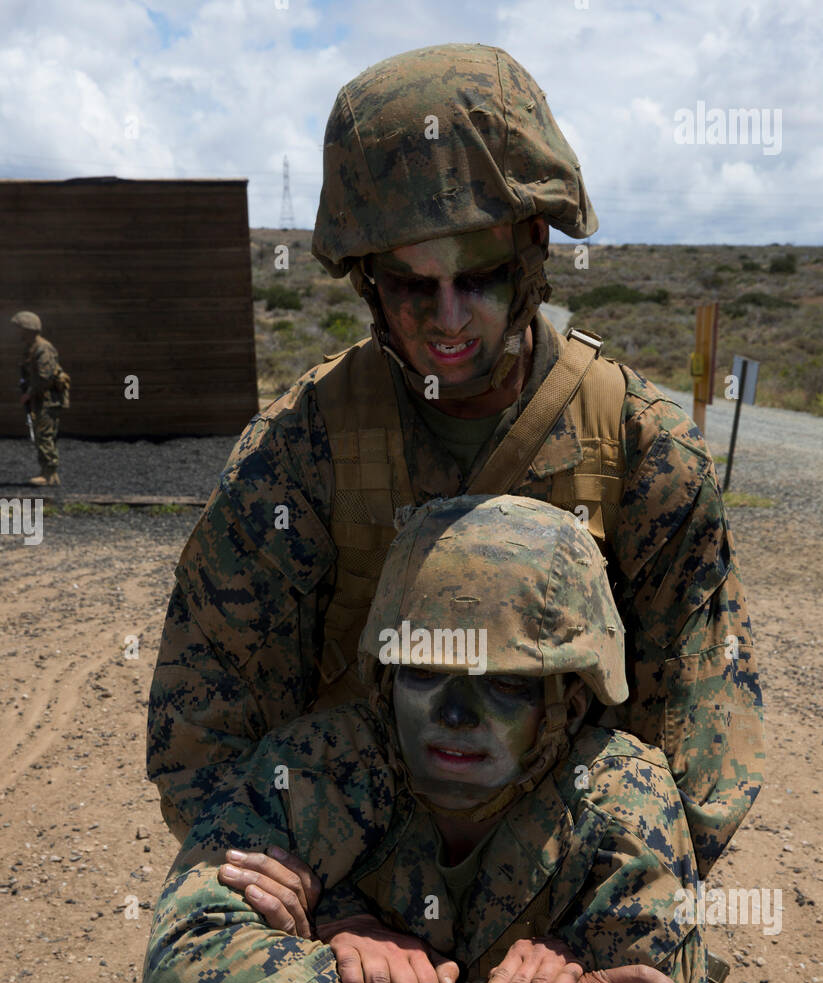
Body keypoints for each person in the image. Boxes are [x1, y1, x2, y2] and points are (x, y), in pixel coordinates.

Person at [147, 42, 763, 885]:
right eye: (410, 286)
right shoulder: (299, 454)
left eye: (480, 278)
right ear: (366, 280)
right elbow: (204, 735)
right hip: (348, 892)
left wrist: (604, 912)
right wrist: (320, 908)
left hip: (564, 891)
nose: (448, 321)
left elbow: (703, 744)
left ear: (535, 249)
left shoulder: (640, 447)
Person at [142, 495, 719, 983]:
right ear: (385, 676)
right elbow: (182, 969)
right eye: (424, 673)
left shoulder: (622, 801)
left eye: (504, 686)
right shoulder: (321, 765)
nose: (454, 715)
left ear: (569, 695)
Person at [11, 310, 66, 486]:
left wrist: (29, 393)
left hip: (47, 398)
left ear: (28, 329)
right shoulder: (31, 347)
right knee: (44, 435)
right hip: (39, 398)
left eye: (20, 328)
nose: (18, 332)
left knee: (44, 435)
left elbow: (45, 377)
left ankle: (49, 474)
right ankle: (48, 473)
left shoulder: (43, 348)